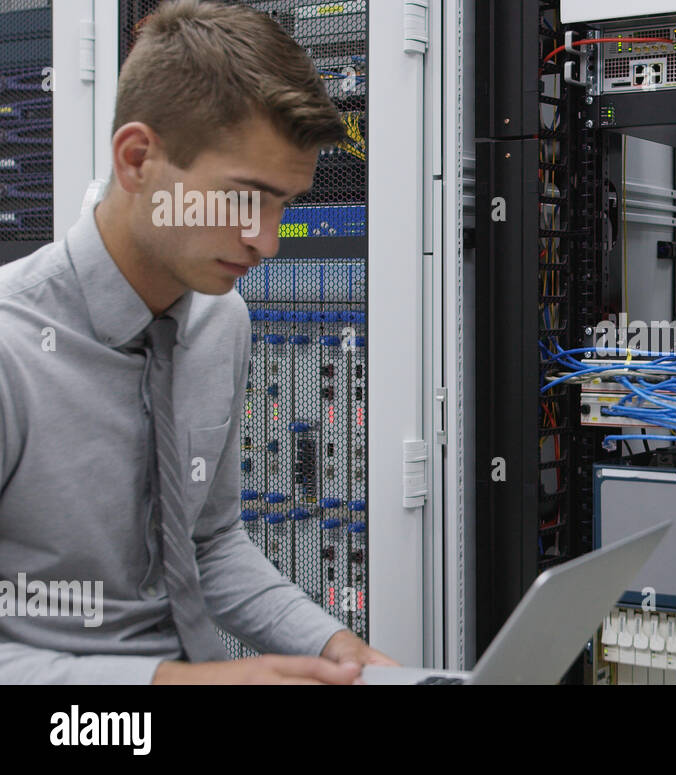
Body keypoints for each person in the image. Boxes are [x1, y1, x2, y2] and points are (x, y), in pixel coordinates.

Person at [0, 0, 395, 684]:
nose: (266, 241)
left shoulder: (222, 321)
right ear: (137, 159)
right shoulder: (12, 349)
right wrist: (167, 686)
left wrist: (336, 645)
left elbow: (207, 544)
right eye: (244, 197)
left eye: (284, 206)